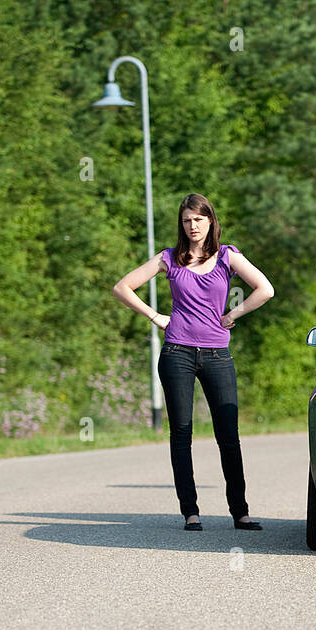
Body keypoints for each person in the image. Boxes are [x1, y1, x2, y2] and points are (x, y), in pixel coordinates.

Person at [112, 193, 274, 530]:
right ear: (181, 224)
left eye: (198, 219)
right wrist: (155, 315)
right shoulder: (169, 258)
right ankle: (191, 511)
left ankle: (240, 511)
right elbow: (123, 287)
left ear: (210, 221)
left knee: (228, 434)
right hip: (177, 354)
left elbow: (265, 289)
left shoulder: (228, 256)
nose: (192, 226)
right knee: (181, 433)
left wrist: (235, 313)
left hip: (217, 353)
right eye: (187, 220)